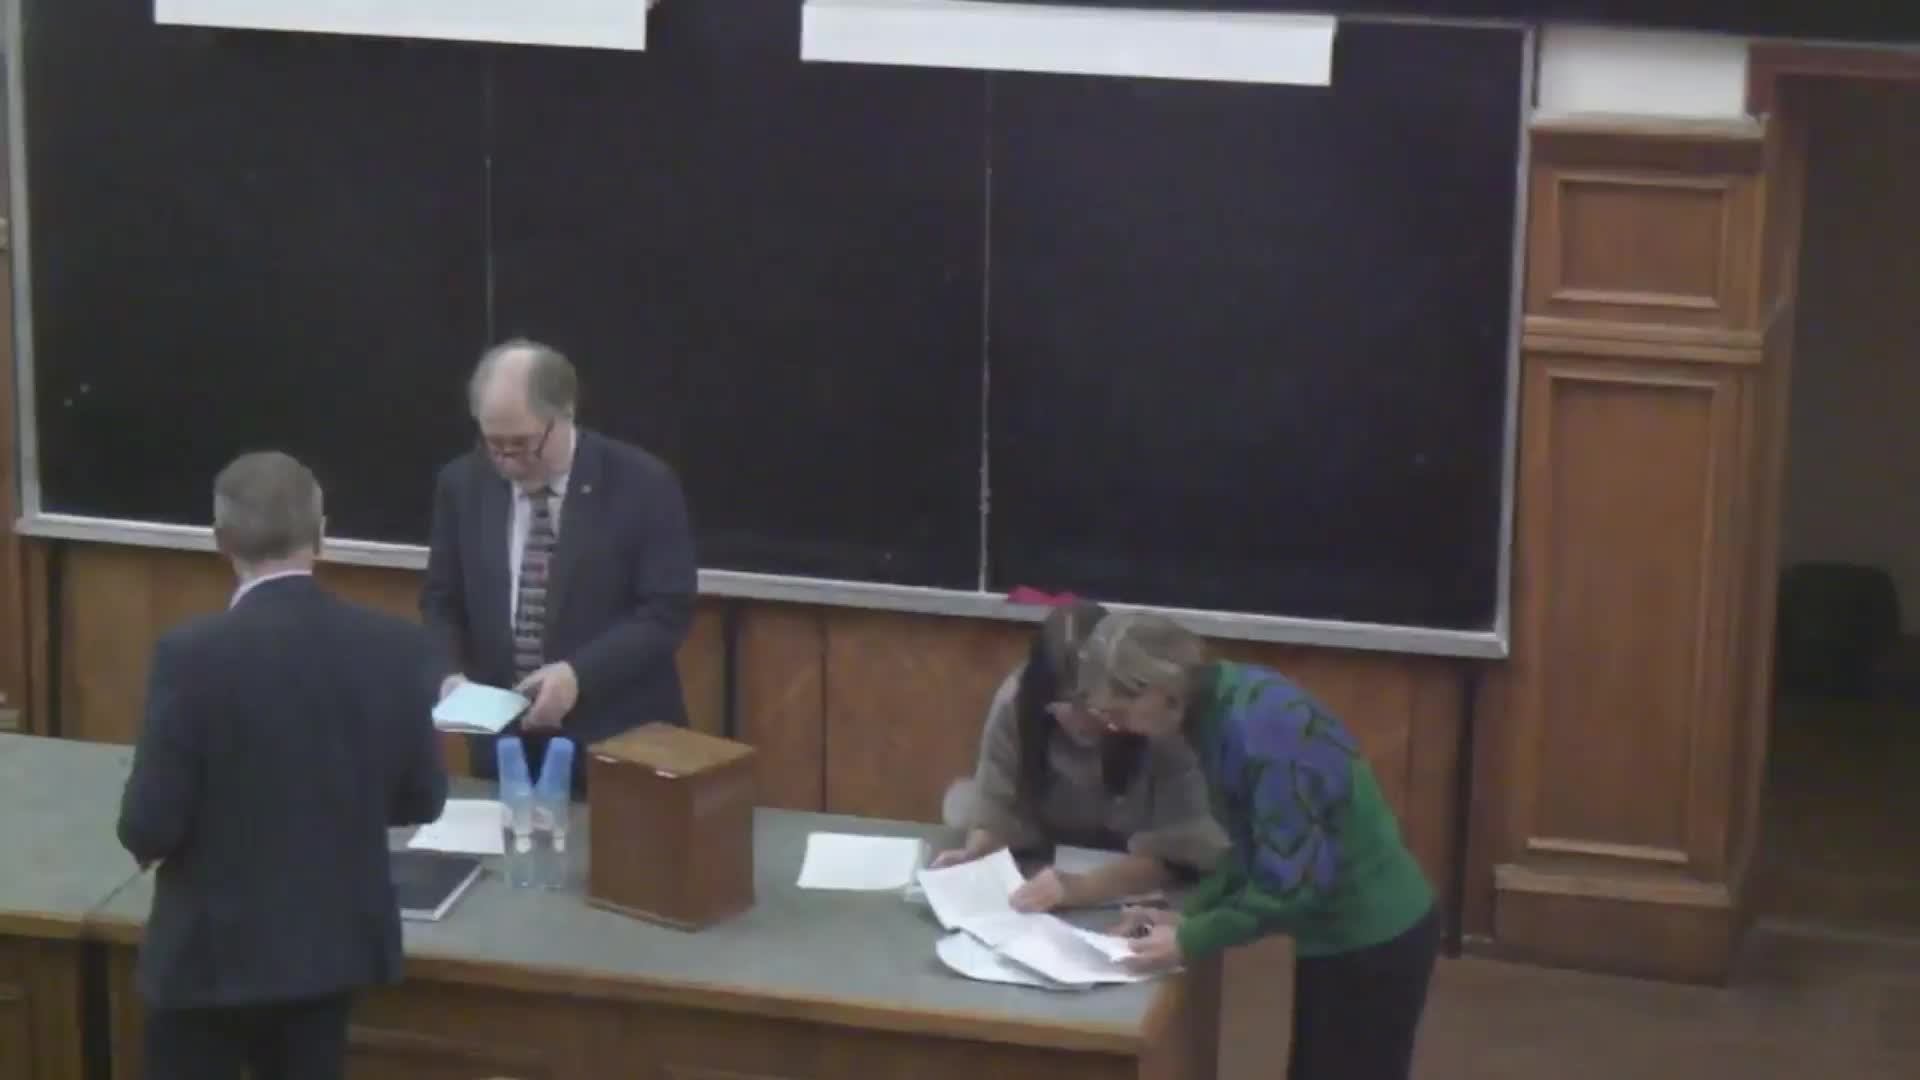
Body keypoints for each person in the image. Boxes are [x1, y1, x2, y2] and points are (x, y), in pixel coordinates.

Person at [116, 451, 449, 1080]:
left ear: (221, 541)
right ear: (321, 535)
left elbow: (149, 825)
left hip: (208, 962)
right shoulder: (397, 648)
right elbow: (421, 800)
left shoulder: (191, 656)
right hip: (331, 956)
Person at [1082, 612, 1437, 1080]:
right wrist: (1191, 914)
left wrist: (1190, 939)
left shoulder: (1261, 731)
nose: (1118, 728)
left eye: (1120, 714)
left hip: (1371, 937)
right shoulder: (1213, 710)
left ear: (1160, 688)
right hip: (1333, 933)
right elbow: (1250, 846)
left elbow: (1289, 886)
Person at [421, 338, 698, 793]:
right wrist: (448, 674)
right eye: (494, 444)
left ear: (564, 413)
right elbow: (441, 600)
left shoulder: (642, 484)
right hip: (505, 750)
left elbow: (666, 612)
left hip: (618, 746)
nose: (507, 462)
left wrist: (577, 675)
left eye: (522, 444)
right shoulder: (462, 484)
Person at [933, 600, 1228, 912]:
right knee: (962, 805)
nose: (1081, 721)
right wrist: (976, 856)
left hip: (1133, 868)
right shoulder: (1017, 704)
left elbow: (1179, 851)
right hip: (1043, 856)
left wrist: (1083, 888)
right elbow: (996, 807)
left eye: (1093, 706)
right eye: (1063, 707)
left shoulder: (1157, 717)